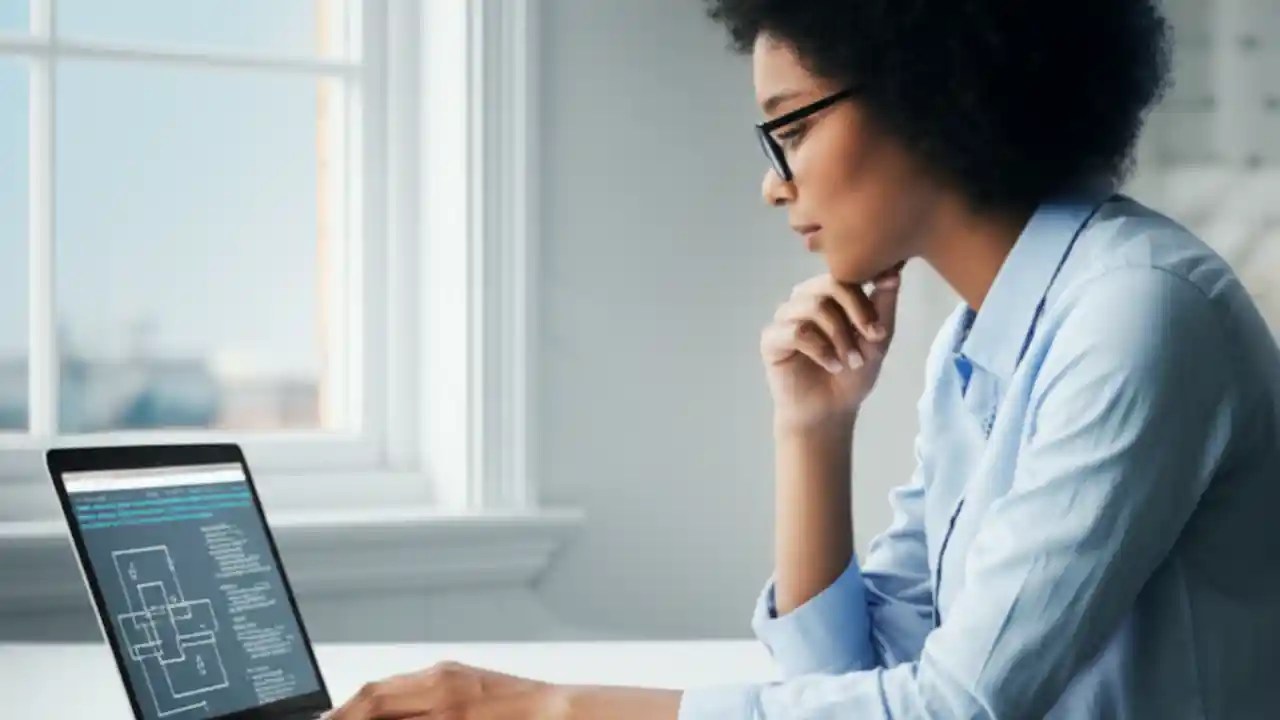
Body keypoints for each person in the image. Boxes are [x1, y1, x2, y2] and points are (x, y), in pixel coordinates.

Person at [325, 0, 1280, 717]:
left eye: (793, 127)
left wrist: (537, 704)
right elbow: (850, 687)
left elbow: (954, 708)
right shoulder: (980, 340)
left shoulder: (1137, 315)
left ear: (929, 93)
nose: (775, 187)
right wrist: (812, 433)